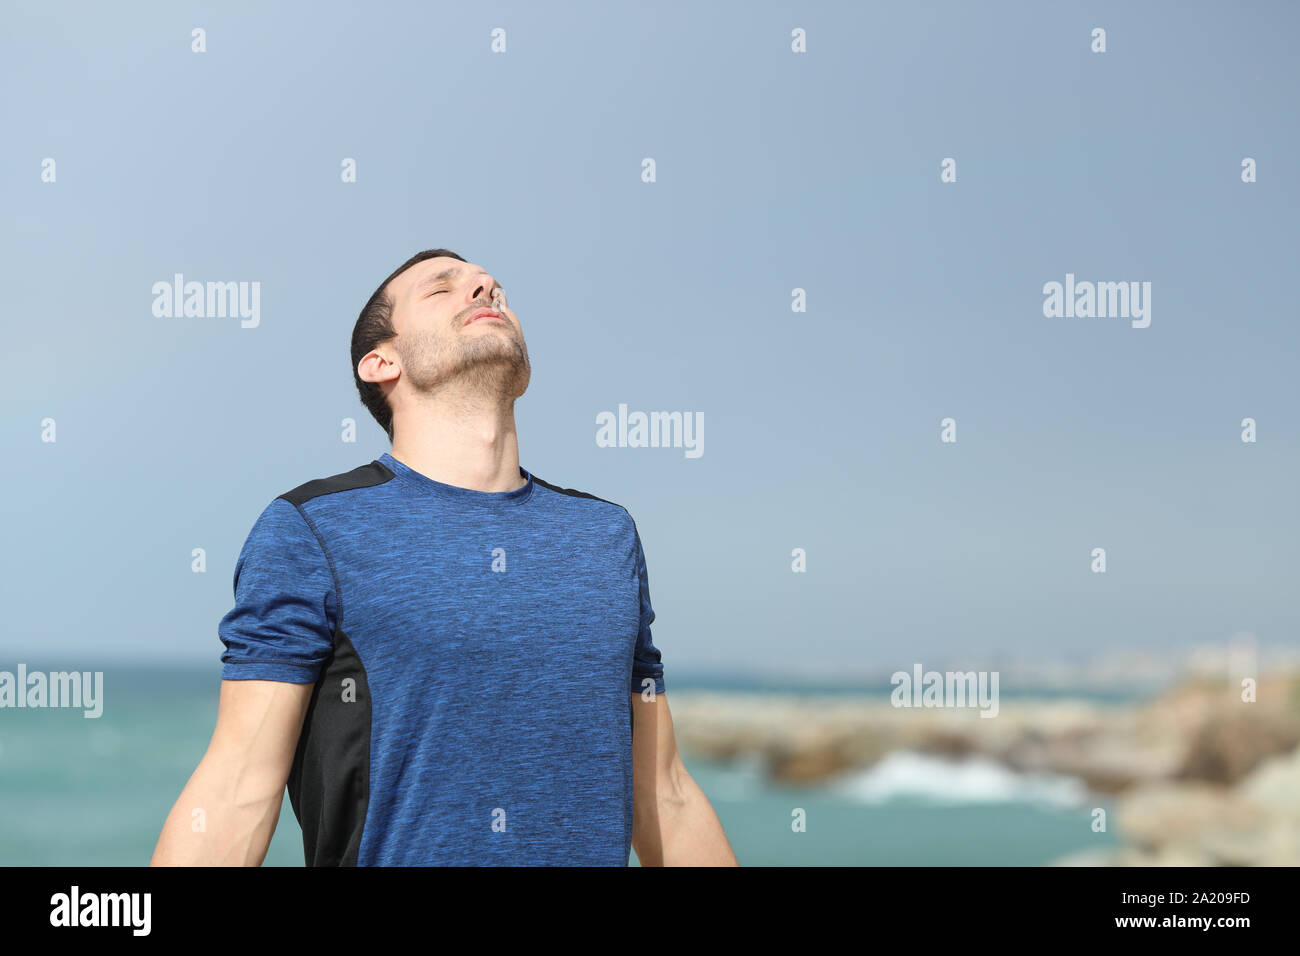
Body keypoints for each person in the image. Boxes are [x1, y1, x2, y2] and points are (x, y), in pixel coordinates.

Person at [151, 248, 737, 866]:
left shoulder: (605, 535)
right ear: (382, 362)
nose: (485, 286)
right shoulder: (311, 529)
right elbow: (238, 789)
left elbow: (664, 793)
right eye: (443, 289)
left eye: (493, 286)